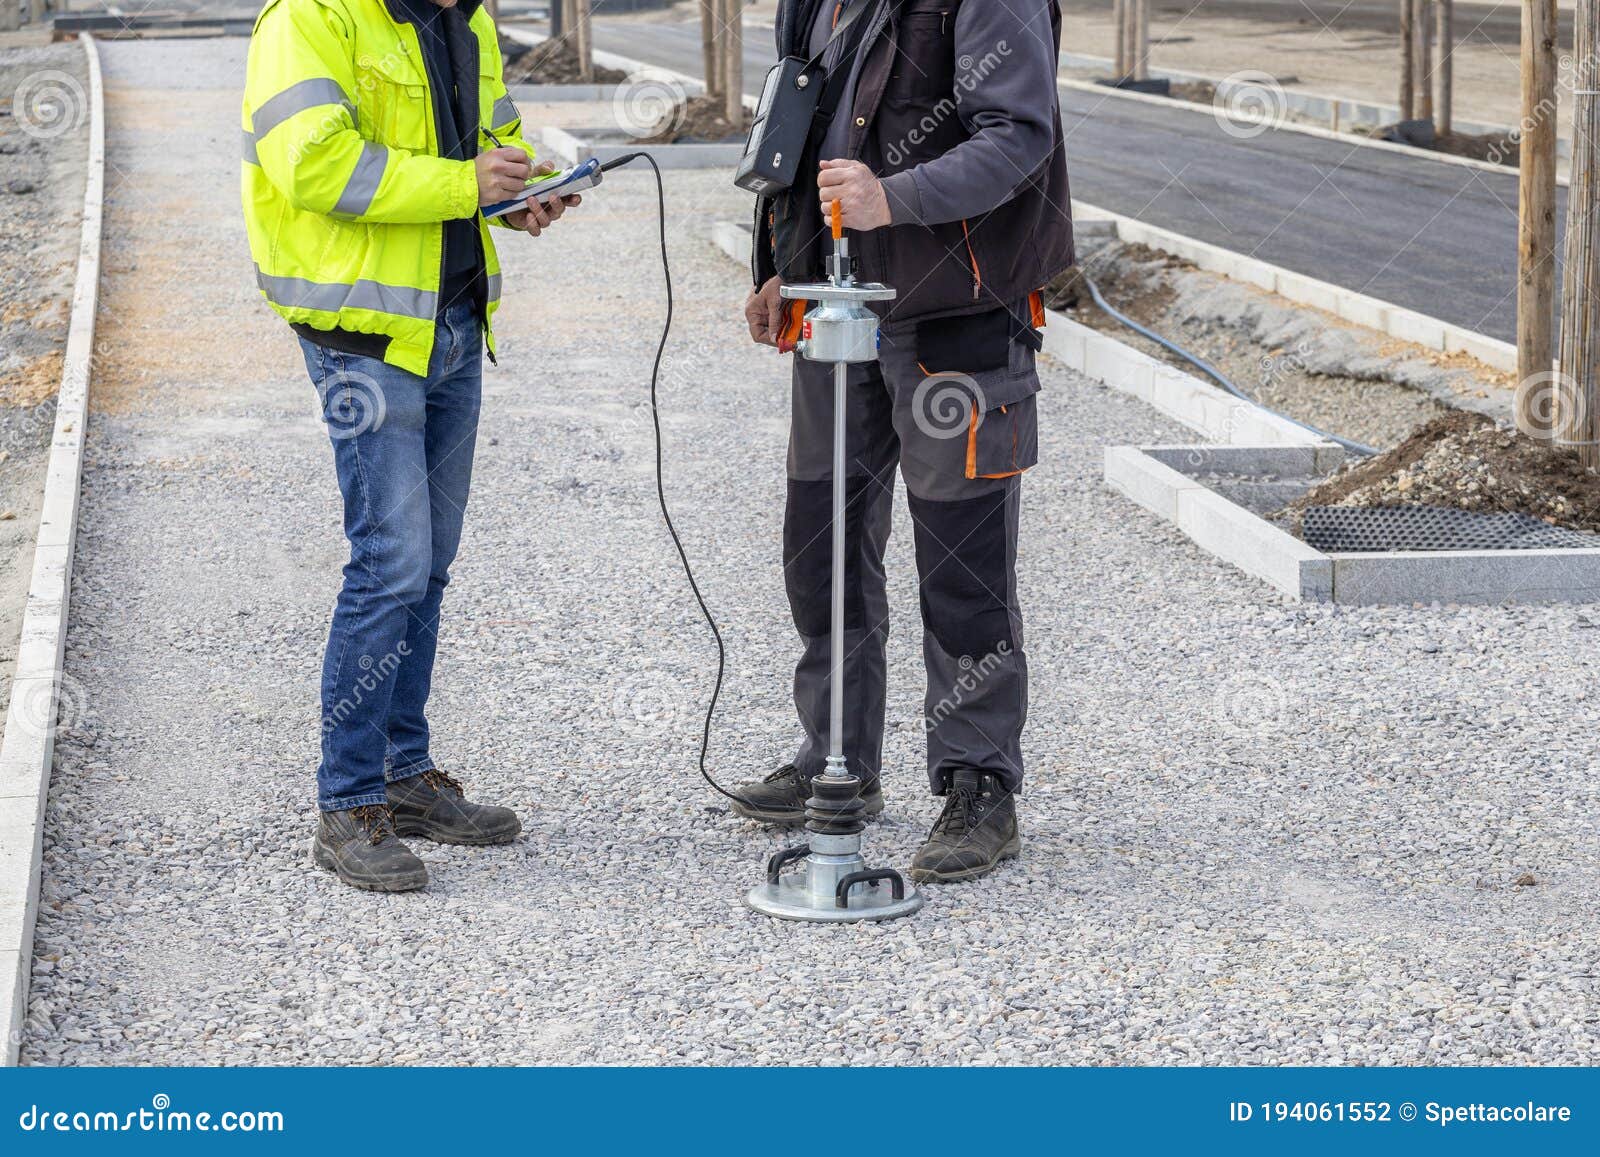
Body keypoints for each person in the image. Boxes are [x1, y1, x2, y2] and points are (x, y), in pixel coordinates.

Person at [241, 0, 579, 891]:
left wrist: (525, 193)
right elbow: (317, 166)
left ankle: (404, 774)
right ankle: (348, 802)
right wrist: (473, 187)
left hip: (452, 323)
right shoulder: (310, 19)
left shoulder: (463, 23)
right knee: (389, 561)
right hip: (362, 335)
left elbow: (490, 145)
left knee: (427, 566)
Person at [738, 0, 1074, 883]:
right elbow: (802, 127)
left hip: (957, 315)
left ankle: (978, 784)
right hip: (837, 308)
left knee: (962, 561)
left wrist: (894, 198)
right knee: (822, 543)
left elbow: (1018, 132)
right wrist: (778, 262)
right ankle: (836, 757)